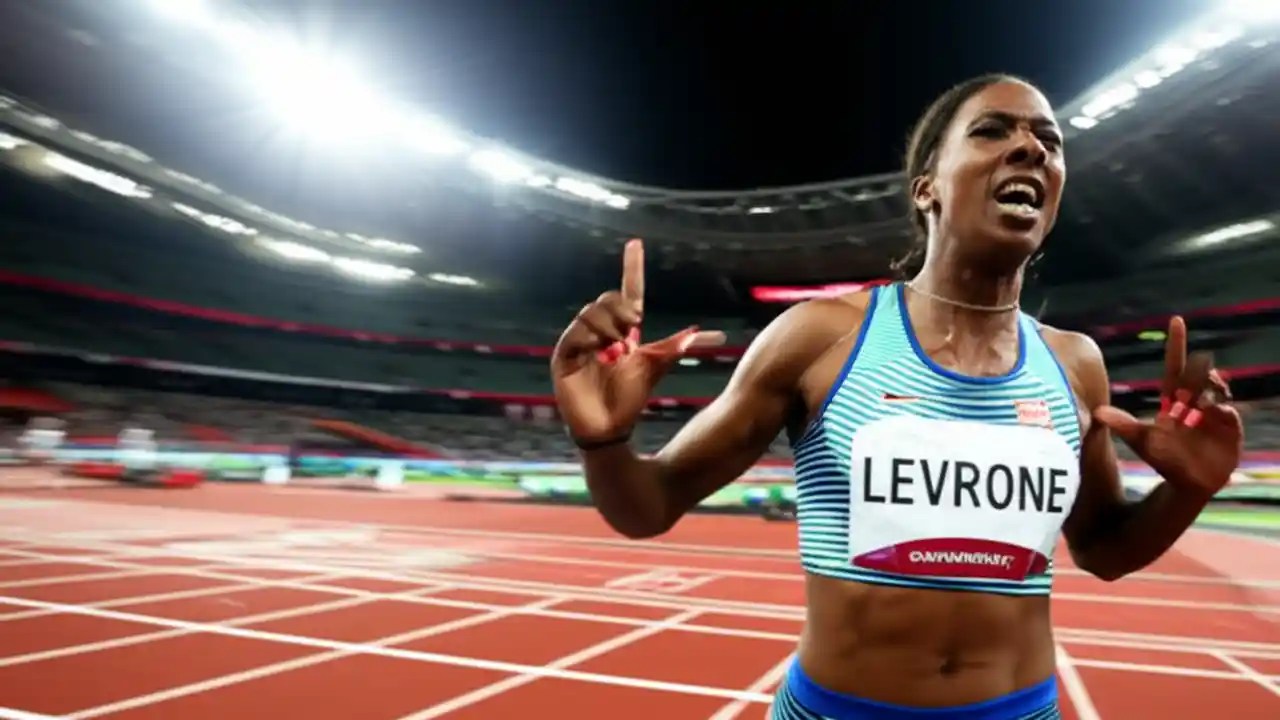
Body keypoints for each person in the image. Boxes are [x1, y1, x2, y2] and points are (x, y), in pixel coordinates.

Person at [550, 74, 1243, 719]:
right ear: (926, 189)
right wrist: (604, 442)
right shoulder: (821, 337)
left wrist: (1187, 491)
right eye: (992, 131)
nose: (1030, 146)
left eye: (1048, 140)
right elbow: (647, 507)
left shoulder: (1075, 365)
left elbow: (1102, 550)